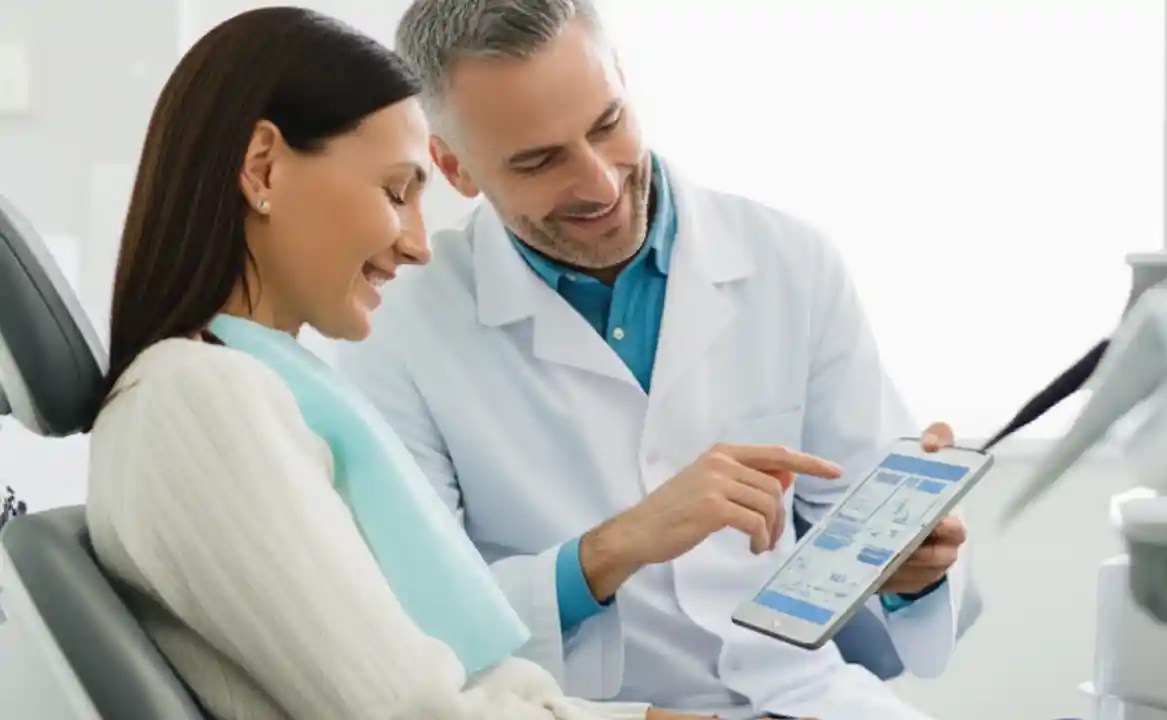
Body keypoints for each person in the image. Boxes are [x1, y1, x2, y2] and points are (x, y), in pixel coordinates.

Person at [337, 1, 971, 718]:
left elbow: (871, 560)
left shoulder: (790, 261)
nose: (602, 185)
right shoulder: (397, 327)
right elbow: (420, 624)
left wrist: (910, 571)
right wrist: (615, 549)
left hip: (810, 698)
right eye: (540, 161)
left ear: (624, 82)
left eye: (607, 125)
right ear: (453, 167)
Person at [87, 7, 713, 720]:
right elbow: (417, 713)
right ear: (263, 167)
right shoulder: (197, 400)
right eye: (394, 192)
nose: (419, 245)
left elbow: (455, 685)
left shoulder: (264, 389)